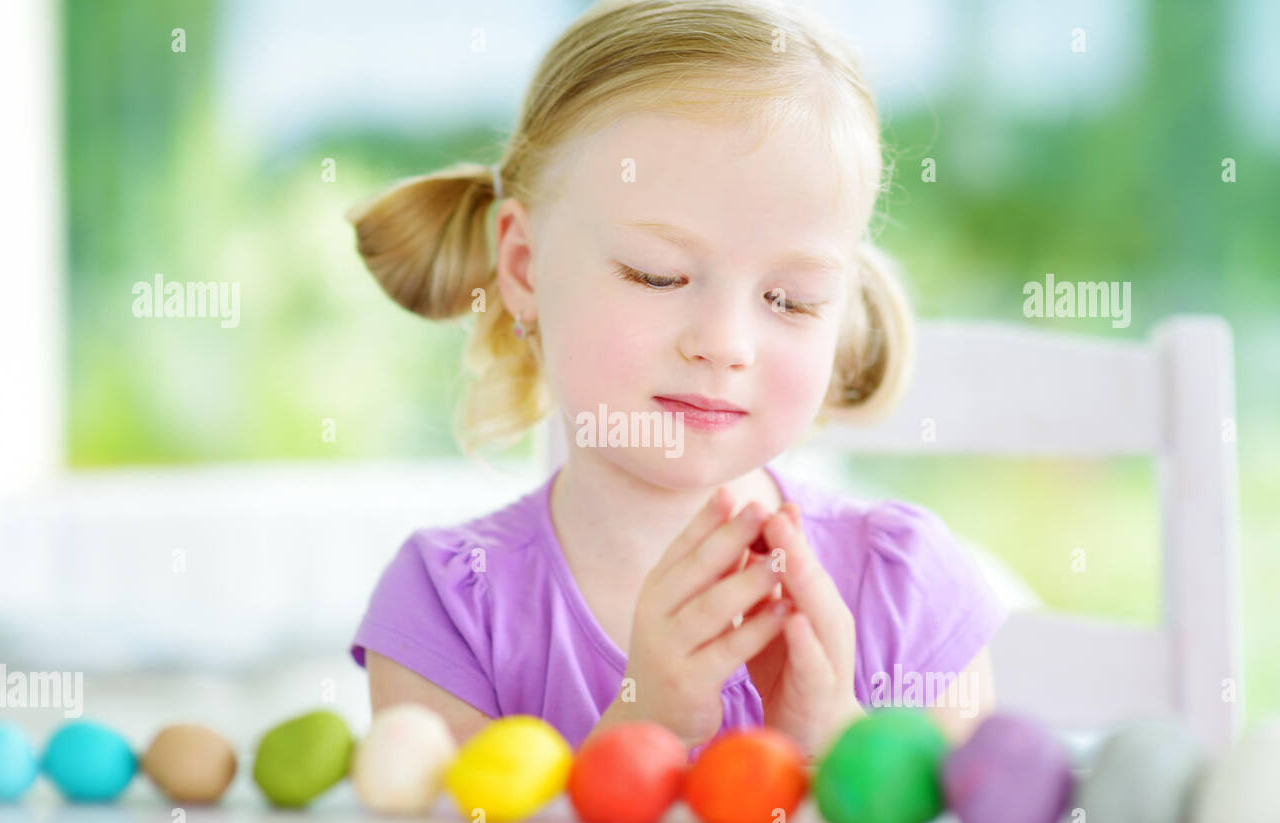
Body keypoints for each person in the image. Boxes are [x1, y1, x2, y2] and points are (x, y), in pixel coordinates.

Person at [345, 0, 1008, 763]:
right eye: (658, 276)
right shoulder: (446, 612)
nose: (724, 345)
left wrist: (838, 754)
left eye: (791, 300)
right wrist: (641, 728)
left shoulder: (907, 592)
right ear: (525, 267)